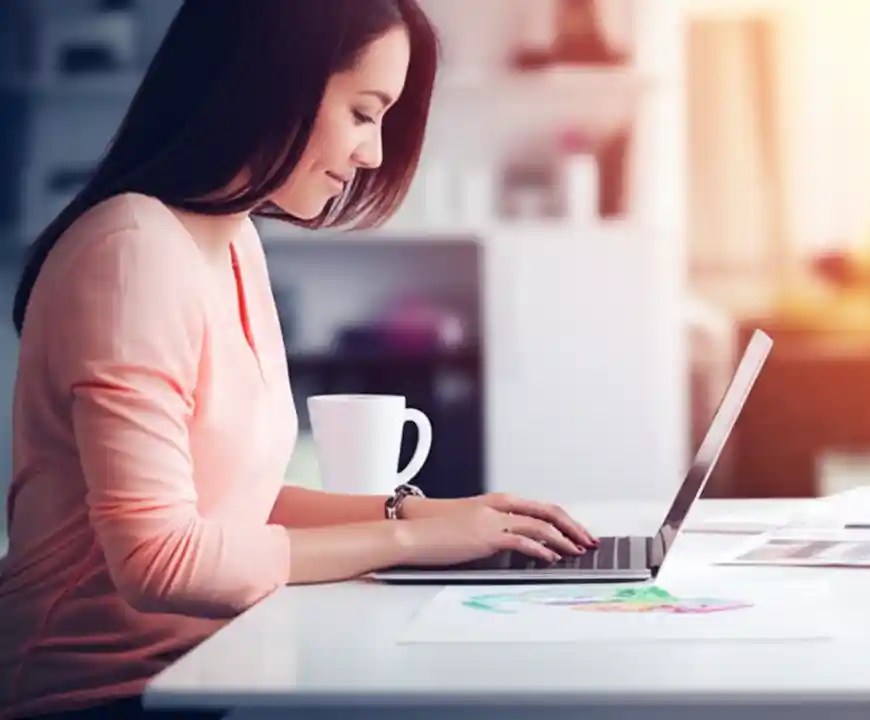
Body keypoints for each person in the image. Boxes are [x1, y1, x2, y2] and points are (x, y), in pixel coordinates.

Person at [0, 2, 598, 717]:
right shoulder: (131, 251)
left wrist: (435, 516)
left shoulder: (230, 240)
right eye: (363, 112)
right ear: (274, 82)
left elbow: (235, 508)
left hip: (209, 666)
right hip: (94, 696)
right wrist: (407, 542)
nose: (373, 153)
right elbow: (161, 563)